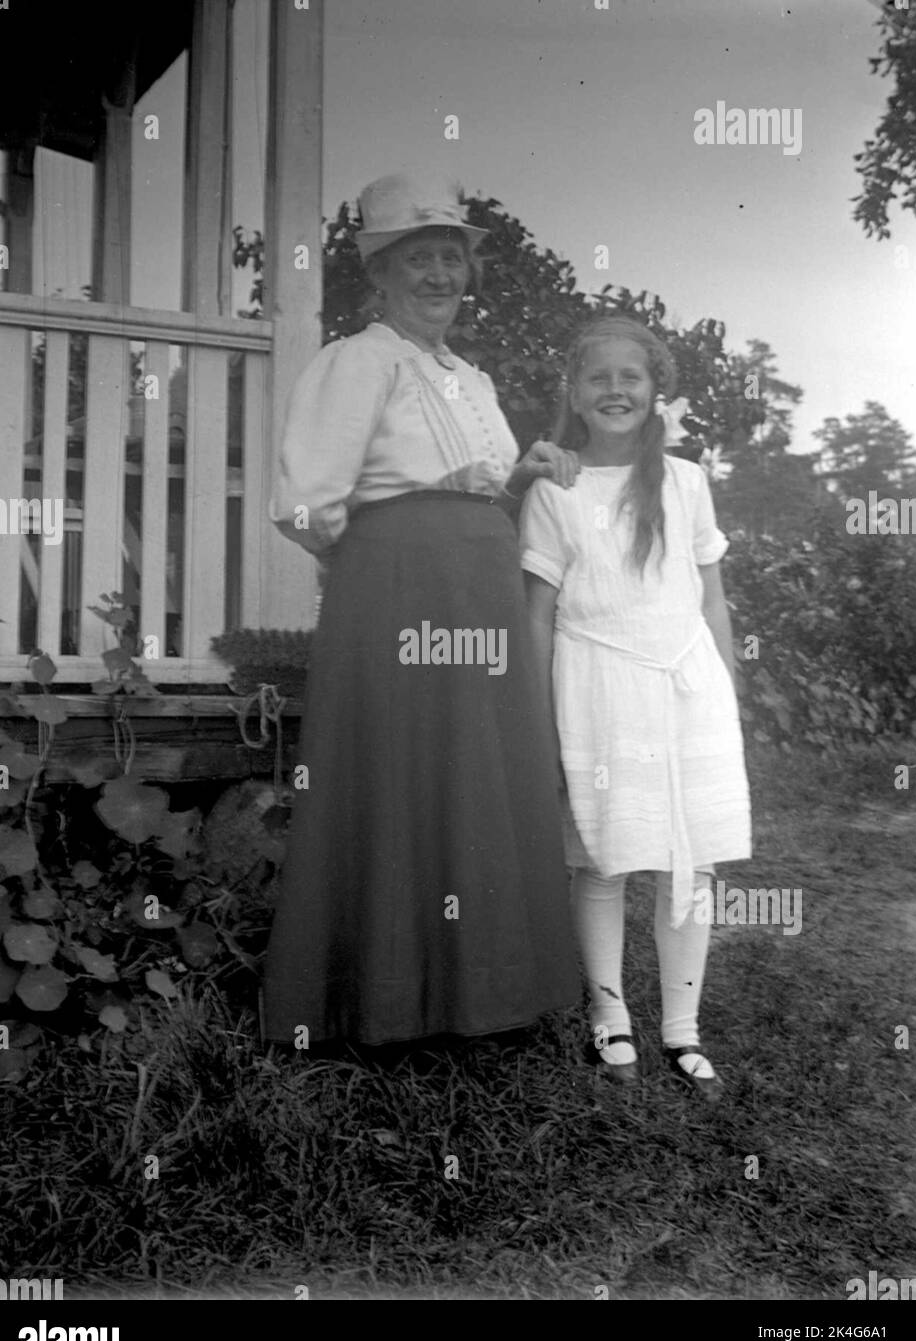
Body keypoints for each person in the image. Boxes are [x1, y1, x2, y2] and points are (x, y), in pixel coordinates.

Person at [263, 173, 582, 1050]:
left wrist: (518, 480)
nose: (440, 273)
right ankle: (390, 999)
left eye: (452, 256)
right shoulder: (355, 361)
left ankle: (484, 995)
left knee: (475, 765)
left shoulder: (470, 379)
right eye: (420, 257)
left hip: (479, 583)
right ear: (383, 271)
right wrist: (375, 565)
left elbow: (473, 486)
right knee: (402, 768)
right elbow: (305, 506)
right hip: (397, 589)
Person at [519, 315, 751, 1101]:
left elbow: (711, 600)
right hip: (598, 684)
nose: (616, 390)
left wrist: (724, 691)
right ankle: (609, 1015)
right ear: (576, 396)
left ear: (656, 392)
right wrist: (539, 714)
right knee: (603, 856)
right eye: (599, 379)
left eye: (632, 378)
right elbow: (541, 614)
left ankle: (682, 1028)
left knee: (692, 856)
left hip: (686, 684)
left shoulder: (685, 481)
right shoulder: (557, 488)